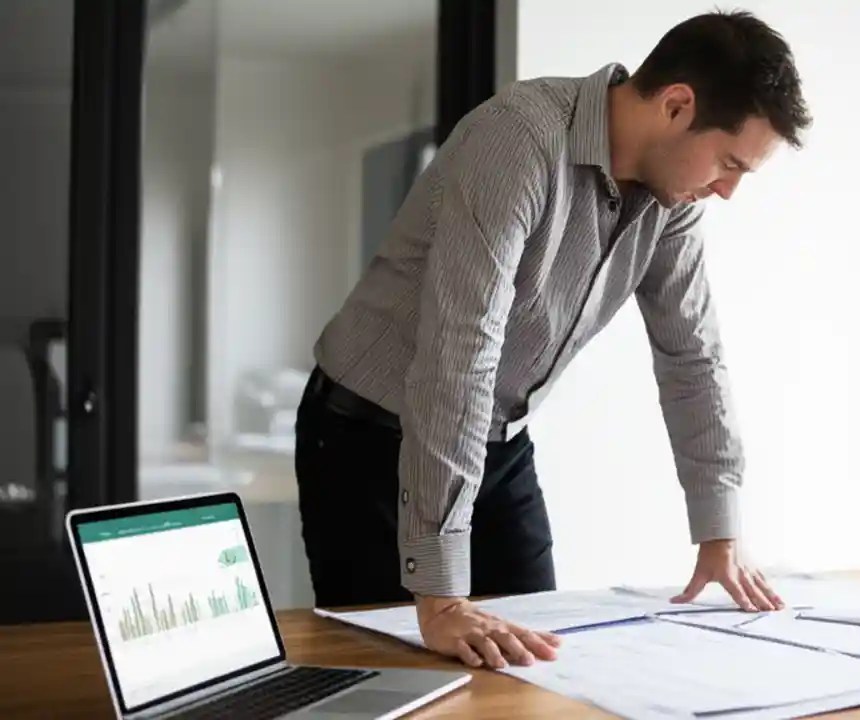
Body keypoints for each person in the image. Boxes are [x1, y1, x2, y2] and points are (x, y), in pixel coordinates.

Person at [294, 9, 811, 670]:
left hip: (498, 439)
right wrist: (441, 596)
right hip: (366, 438)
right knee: (403, 678)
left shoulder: (674, 201)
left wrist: (719, 531)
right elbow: (461, 349)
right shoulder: (520, 138)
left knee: (535, 667)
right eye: (730, 163)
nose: (728, 191)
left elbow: (693, 355)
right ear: (678, 106)